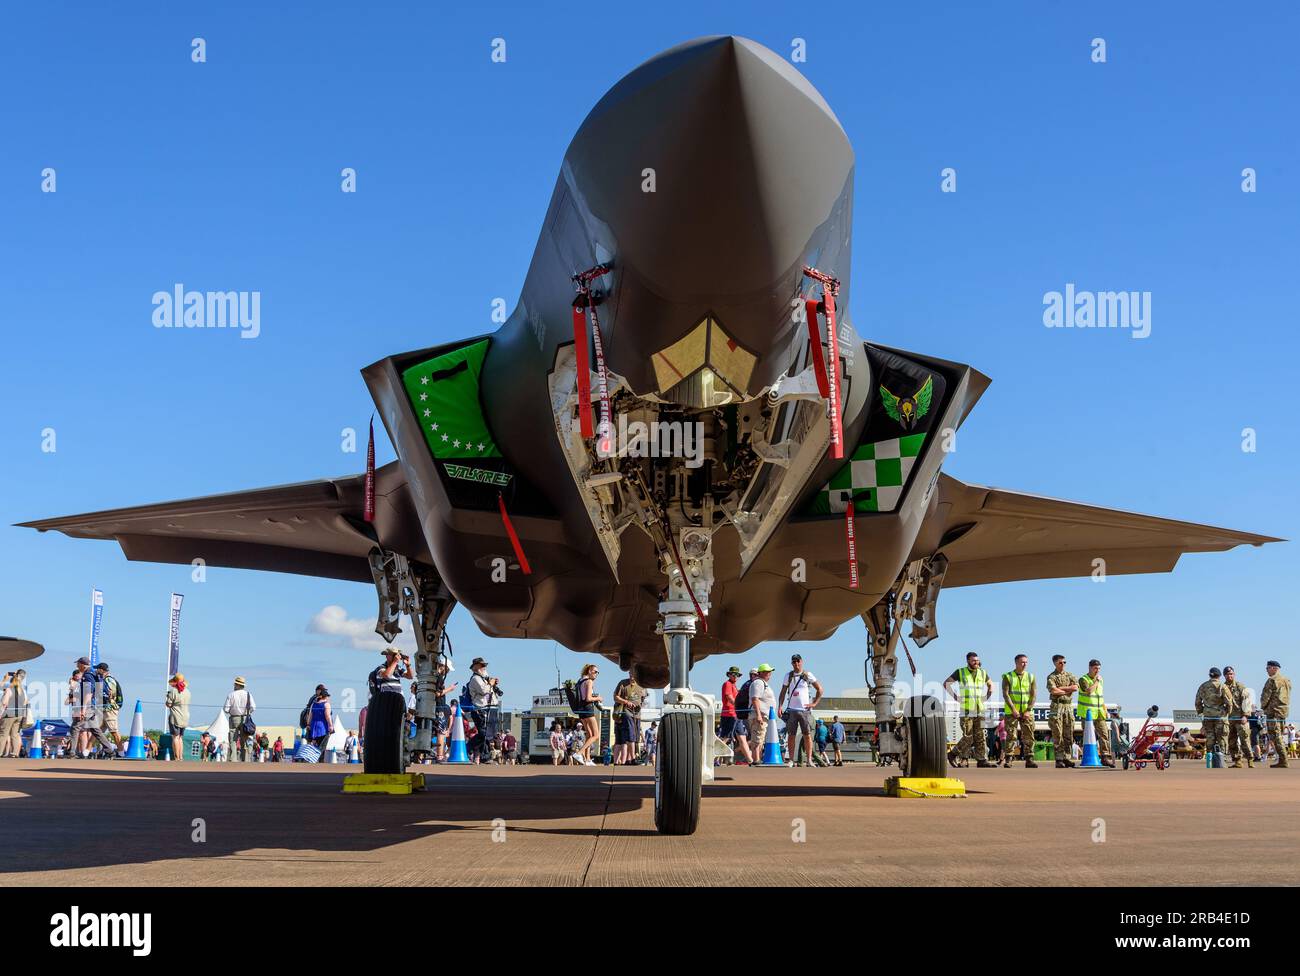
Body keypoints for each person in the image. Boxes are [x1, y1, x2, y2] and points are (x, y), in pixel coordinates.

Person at [945, 652, 995, 768]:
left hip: (980, 709)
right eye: (973, 661)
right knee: (968, 736)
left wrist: (987, 696)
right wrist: (956, 697)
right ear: (968, 661)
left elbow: (991, 685)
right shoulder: (960, 672)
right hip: (966, 709)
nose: (976, 662)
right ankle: (953, 754)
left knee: (981, 735)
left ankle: (982, 760)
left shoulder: (983, 672)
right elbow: (947, 683)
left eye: (977, 660)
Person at [779, 654, 824, 768]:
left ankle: (809, 760)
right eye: (794, 661)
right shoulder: (788, 676)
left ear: (802, 661)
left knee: (807, 735)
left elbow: (820, 689)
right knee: (791, 735)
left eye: (798, 661)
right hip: (792, 710)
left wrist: (814, 703)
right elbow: (783, 691)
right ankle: (791, 760)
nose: (796, 663)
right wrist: (780, 706)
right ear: (791, 663)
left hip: (804, 710)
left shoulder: (807, 675)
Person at [1001, 654, 1039, 768]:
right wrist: (1013, 709)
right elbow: (1005, 694)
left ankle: (1029, 759)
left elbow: (1034, 694)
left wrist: (1028, 709)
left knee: (1029, 735)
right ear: (1016, 663)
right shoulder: (1008, 676)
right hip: (1012, 712)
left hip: (1027, 712)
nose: (1025, 664)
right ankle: (1009, 759)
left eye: (1026, 662)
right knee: (1011, 735)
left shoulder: (1031, 676)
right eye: (1022, 662)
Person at [1077, 659, 1115, 767]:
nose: (1097, 670)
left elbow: (1100, 697)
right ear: (1089, 667)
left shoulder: (1101, 680)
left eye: (1098, 668)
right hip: (1087, 714)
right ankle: (1087, 757)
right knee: (1088, 736)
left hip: (1099, 712)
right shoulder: (1083, 679)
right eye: (1095, 668)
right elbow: (1089, 691)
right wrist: (1097, 682)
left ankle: (1105, 757)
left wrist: (1105, 709)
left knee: (1104, 734)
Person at [466, 658, 502, 764]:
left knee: (489, 734)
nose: (484, 667)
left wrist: (493, 684)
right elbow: (483, 690)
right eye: (482, 665)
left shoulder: (484, 679)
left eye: (484, 665)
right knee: (484, 733)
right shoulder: (475, 679)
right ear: (475, 667)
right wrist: (490, 684)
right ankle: (471, 750)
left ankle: (481, 755)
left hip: (490, 708)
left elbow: (489, 690)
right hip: (481, 709)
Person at [1194, 667, 1232, 762]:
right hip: (1220, 716)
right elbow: (1229, 702)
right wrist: (1227, 712)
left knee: (1210, 738)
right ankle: (1222, 760)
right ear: (1219, 676)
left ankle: (1209, 759)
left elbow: (1198, 702)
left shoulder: (1203, 686)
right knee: (1221, 738)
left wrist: (1202, 712)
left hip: (1207, 716)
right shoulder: (1222, 686)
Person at [1260, 660, 1291, 769]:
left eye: (1268, 668)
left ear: (1274, 668)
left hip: (1273, 712)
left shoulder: (1272, 680)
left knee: (1275, 736)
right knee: (1279, 736)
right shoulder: (1286, 680)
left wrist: (1263, 707)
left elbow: (1265, 698)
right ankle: (1283, 759)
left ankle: (1283, 760)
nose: (1267, 670)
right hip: (1283, 712)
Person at [719, 666, 753, 765]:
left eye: (737, 675)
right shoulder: (727, 684)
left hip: (735, 715)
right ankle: (712, 758)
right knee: (726, 738)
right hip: (729, 714)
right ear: (729, 675)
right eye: (733, 674)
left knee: (742, 737)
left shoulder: (734, 686)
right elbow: (729, 698)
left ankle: (750, 760)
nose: (735, 676)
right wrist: (739, 706)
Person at [1222, 666, 1253, 768]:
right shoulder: (1223, 687)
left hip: (1240, 718)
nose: (1229, 676)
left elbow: (1247, 701)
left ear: (1234, 675)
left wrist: (1245, 715)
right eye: (1227, 674)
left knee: (1245, 740)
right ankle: (1237, 761)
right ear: (1224, 675)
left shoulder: (1240, 686)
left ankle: (1250, 760)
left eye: (1231, 674)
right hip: (1229, 719)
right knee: (1231, 741)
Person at [612, 672, 646, 765]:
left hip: (637, 715)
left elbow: (643, 698)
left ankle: (629, 759)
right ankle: (633, 758)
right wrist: (626, 702)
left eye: (634, 674)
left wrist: (640, 705)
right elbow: (615, 697)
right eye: (631, 674)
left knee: (634, 737)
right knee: (630, 736)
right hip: (625, 712)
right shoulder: (622, 683)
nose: (632, 676)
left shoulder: (642, 685)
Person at [747, 664, 778, 762]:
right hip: (759, 715)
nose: (770, 674)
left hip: (763, 715)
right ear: (762, 673)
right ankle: (756, 760)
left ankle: (757, 759)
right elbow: (755, 699)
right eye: (768, 672)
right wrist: (759, 715)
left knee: (760, 737)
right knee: (757, 737)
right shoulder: (759, 683)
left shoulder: (762, 683)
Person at [222, 677, 256, 762]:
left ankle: (233, 759)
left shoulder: (231, 694)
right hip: (245, 718)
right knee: (244, 740)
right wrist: (248, 712)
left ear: (237, 685)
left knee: (233, 739)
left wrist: (231, 711)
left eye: (234, 684)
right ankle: (245, 759)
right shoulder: (248, 694)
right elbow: (253, 707)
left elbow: (225, 709)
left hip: (234, 718)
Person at [94, 662, 124, 749]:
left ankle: (121, 752)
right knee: (96, 731)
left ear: (101, 670)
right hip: (103, 709)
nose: (96, 671)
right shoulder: (103, 679)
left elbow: (110, 694)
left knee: (114, 731)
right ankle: (86, 752)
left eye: (97, 669)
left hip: (109, 709)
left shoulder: (109, 680)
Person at [0, 670, 29, 757]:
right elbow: (26, 702)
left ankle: (0, 752)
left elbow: (4, 702)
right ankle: (15, 753)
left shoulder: (9, 689)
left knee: (3, 733)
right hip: (19, 714)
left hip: (9, 714)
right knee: (15, 734)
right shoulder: (22, 691)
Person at [164, 673, 190, 761]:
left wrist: (167, 698)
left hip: (175, 717)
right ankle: (181, 757)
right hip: (185, 717)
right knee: (180, 738)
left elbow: (169, 704)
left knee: (175, 737)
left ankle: (176, 757)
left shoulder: (173, 691)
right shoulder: (188, 692)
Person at [308, 688, 332, 762]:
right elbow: (328, 716)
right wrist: (331, 725)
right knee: (323, 745)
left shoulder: (314, 704)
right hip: (323, 727)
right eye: (327, 696)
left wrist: (308, 724)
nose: (328, 698)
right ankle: (320, 761)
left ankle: (317, 760)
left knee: (318, 744)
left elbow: (310, 715)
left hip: (314, 726)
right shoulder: (326, 704)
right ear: (325, 696)